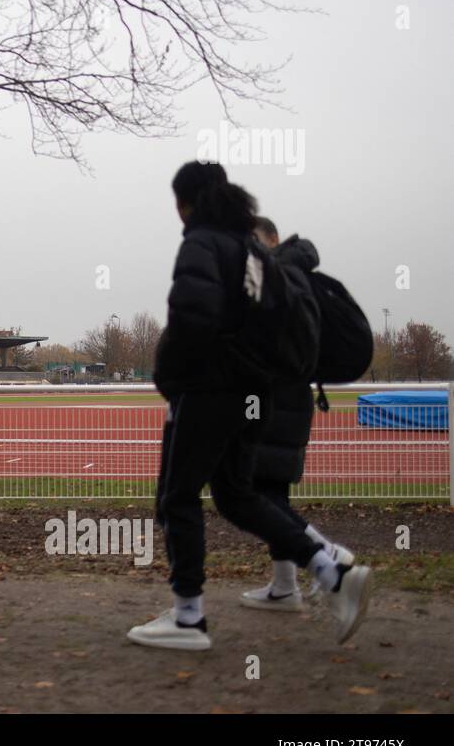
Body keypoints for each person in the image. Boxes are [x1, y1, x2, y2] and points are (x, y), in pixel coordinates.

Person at [128, 161, 370, 651]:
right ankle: (329, 568)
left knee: (177, 498)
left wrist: (172, 382)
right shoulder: (255, 252)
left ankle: (189, 618)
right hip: (252, 394)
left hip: (207, 390)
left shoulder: (203, 243)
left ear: (187, 201)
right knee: (238, 495)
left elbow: (191, 321)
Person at [240, 216, 352, 610]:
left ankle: (328, 555)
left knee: (257, 495)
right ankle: (285, 586)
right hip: (281, 399)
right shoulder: (291, 273)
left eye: (254, 240)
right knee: (270, 492)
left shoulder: (282, 275)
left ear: (272, 237)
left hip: (277, 400)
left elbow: (274, 344)